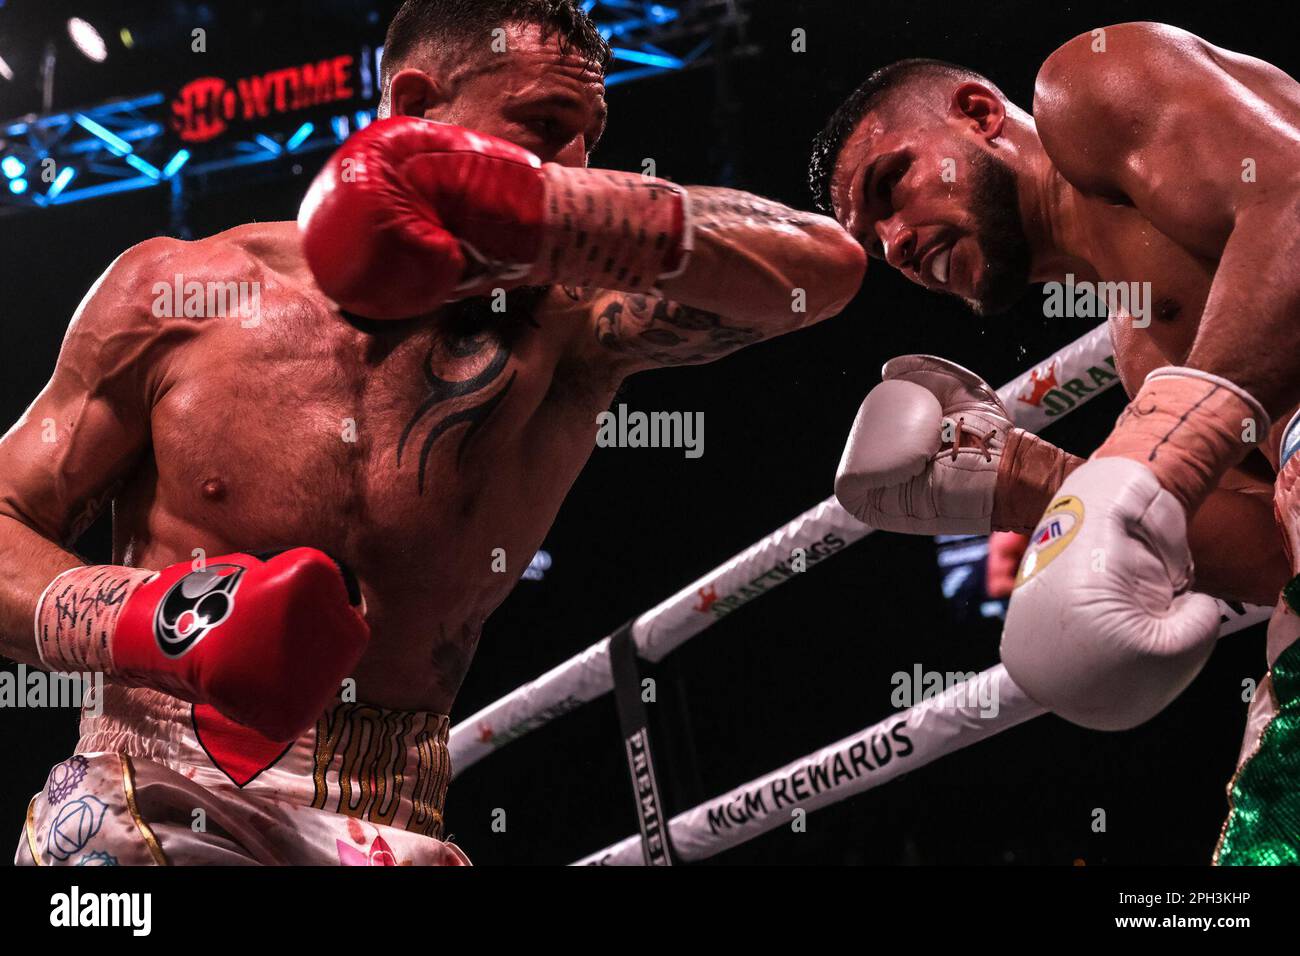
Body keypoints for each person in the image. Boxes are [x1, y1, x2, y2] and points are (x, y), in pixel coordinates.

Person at [5, 0, 865, 866]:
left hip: (395, 816)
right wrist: (164, 621)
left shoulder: (565, 321)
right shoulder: (175, 295)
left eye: (589, 142)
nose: (572, 166)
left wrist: (553, 211)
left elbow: (824, 270)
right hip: (152, 784)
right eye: (544, 126)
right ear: (415, 110)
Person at [816, 22, 1299, 863]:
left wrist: (1170, 444)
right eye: (873, 241)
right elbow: (1273, 554)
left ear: (978, 116)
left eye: (892, 186)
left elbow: (1293, 197)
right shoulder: (1142, 349)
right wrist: (1031, 482)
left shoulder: (1092, 83)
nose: (893, 243)